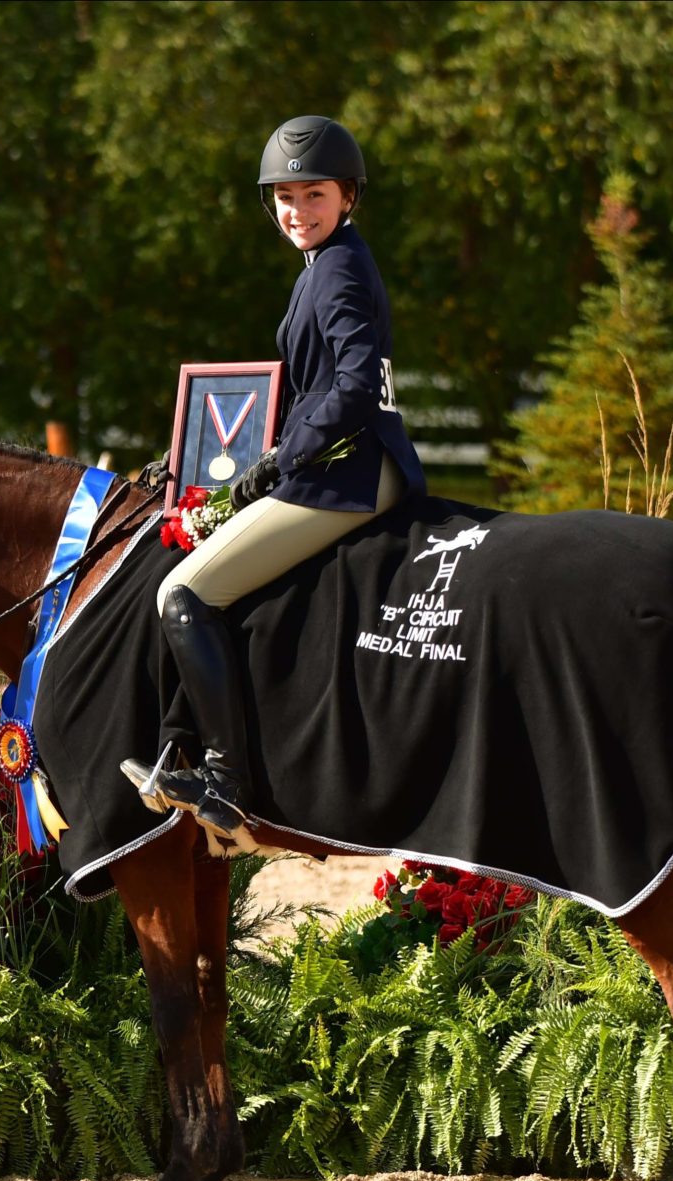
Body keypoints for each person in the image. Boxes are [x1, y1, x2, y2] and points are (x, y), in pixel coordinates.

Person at [130, 115, 426, 836]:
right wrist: (194, 455)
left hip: (349, 473)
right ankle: (179, 746)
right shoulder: (322, 266)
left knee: (184, 592)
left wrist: (280, 461)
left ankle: (228, 785)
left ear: (348, 196)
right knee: (187, 558)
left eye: (314, 195)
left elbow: (353, 385)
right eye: (285, 198)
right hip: (331, 463)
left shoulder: (341, 268)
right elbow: (290, 394)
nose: (298, 212)